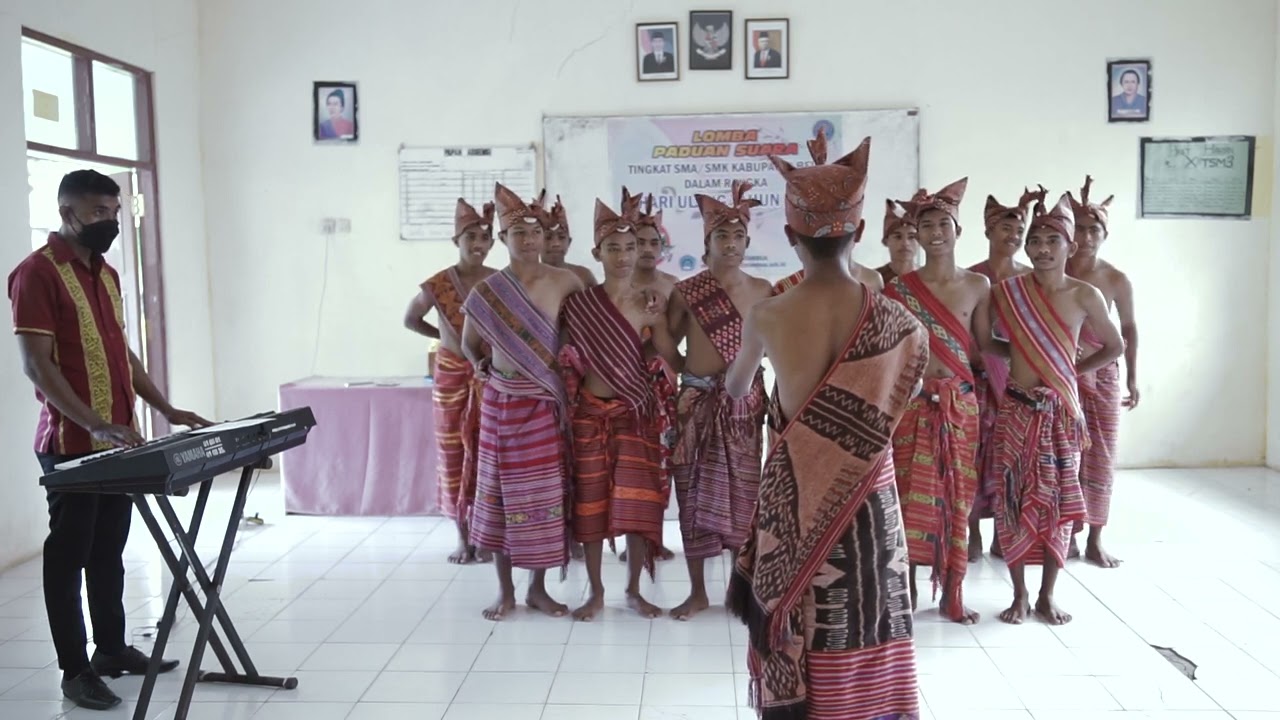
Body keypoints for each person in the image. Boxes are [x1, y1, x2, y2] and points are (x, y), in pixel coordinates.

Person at [726, 134, 928, 720]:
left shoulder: (767, 314)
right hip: (869, 498)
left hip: (794, 495)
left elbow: (738, 389)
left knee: (805, 610)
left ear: (790, 237)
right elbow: (902, 399)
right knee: (871, 607)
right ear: (860, 234)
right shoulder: (897, 320)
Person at [8, 170, 208, 710]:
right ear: (67, 211)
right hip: (71, 444)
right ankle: (75, 669)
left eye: (115, 212)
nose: (110, 222)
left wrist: (167, 408)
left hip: (118, 445)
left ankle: (113, 649)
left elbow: (123, 356)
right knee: (67, 556)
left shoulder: (107, 275)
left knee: (109, 552)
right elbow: (36, 365)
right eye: (98, 212)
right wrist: (93, 422)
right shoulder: (37, 274)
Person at [978, 193, 1123, 625]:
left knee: (1058, 505)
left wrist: (1069, 367)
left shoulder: (1086, 295)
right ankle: (1019, 595)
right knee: (1012, 500)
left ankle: (1048, 596)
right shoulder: (1007, 292)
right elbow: (986, 344)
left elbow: (1115, 346)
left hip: (1062, 413)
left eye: (1052, 241)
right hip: (1017, 410)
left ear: (1070, 247)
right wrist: (1026, 353)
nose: (1041, 249)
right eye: (1035, 241)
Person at [461, 182, 584, 621]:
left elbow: (586, 334)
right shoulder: (488, 291)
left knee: (543, 496)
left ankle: (538, 589)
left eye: (537, 233)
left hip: (545, 403)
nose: (530, 241)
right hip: (503, 403)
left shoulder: (567, 282)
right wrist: (481, 365)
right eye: (519, 234)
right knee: (498, 496)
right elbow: (468, 342)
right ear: (503, 241)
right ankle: (505, 591)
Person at [560, 199, 679, 621]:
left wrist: (659, 322)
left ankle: (633, 589)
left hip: (636, 412)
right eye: (613, 248)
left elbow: (668, 355)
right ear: (597, 254)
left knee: (638, 503)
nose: (623, 256)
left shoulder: (649, 300)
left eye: (629, 248)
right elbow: (561, 354)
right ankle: (595, 591)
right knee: (591, 504)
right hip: (589, 415)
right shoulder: (579, 304)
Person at [666, 180, 772, 621]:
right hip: (696, 403)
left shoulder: (767, 290)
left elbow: (777, 345)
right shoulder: (687, 292)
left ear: (748, 242)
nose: (731, 244)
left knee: (744, 499)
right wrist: (693, 381)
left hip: (744, 407)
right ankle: (696, 592)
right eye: (721, 237)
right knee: (692, 497)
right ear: (706, 242)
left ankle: (736, 588)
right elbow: (667, 345)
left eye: (738, 237)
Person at [884, 177, 988, 625]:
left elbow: (983, 350)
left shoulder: (980, 286)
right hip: (912, 405)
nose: (935, 232)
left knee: (955, 500)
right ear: (916, 233)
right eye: (925, 225)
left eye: (944, 223)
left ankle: (952, 592)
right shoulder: (899, 289)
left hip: (961, 406)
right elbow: (892, 354)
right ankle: (903, 594)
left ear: (958, 231)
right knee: (906, 500)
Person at [404, 198, 497, 564]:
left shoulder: (498, 281)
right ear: (455, 241)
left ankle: (487, 536)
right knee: (453, 454)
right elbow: (411, 319)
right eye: (470, 236)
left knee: (489, 454)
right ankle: (462, 537)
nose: (478, 243)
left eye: (485, 237)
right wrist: (445, 336)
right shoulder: (439, 284)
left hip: (489, 374)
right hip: (451, 376)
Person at [966, 187, 1044, 562]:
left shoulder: (1032, 279)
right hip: (976, 380)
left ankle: (1004, 530)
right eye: (1005, 230)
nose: (1013, 237)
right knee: (972, 456)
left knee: (1009, 457)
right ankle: (971, 533)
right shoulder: (970, 277)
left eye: (1019, 232)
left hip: (1016, 382)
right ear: (987, 233)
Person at [1067, 175, 1137, 569]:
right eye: (1079, 227)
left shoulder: (1114, 279)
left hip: (1103, 376)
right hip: (1059, 374)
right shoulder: (1051, 272)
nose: (1086, 235)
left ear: (1104, 234)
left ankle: (1095, 536)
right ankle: (1064, 535)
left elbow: (1128, 330)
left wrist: (1132, 377)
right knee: (1062, 456)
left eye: (1094, 228)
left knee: (1101, 456)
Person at [619, 187, 679, 563]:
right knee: (627, 465)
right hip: (624, 386)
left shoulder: (674, 286)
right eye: (638, 241)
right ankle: (631, 540)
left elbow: (676, 340)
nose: (645, 249)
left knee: (662, 462)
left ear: (661, 247)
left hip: (665, 387)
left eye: (652, 242)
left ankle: (655, 537)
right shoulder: (614, 287)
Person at [540, 194, 598, 287]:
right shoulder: (527, 278)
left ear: (569, 242)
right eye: (548, 237)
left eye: (562, 237)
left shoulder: (584, 276)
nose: (555, 244)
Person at [876, 199, 921, 284]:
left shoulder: (929, 279)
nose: (905, 243)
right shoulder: (874, 279)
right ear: (886, 241)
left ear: (920, 241)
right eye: (898, 237)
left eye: (911, 237)